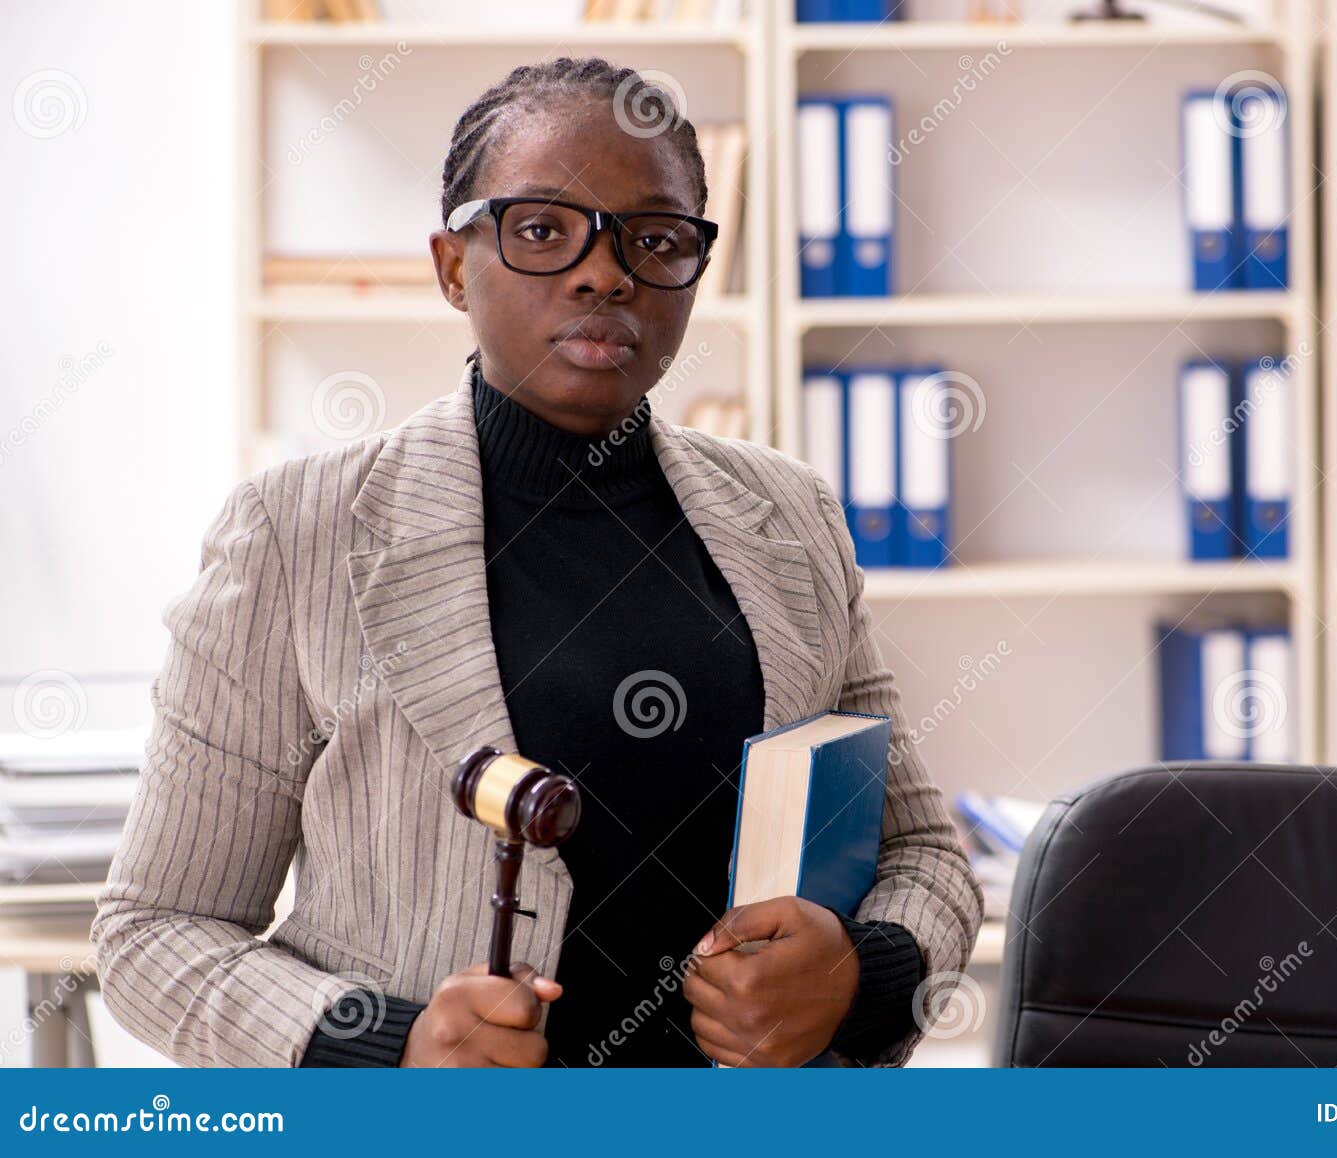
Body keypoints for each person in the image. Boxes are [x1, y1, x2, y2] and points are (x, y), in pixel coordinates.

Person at [91, 57, 981, 1068]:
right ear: (452, 265)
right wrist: (388, 1047)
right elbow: (155, 931)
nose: (605, 273)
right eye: (543, 229)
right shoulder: (297, 534)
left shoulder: (791, 514)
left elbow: (921, 854)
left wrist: (865, 972)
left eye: (653, 239)